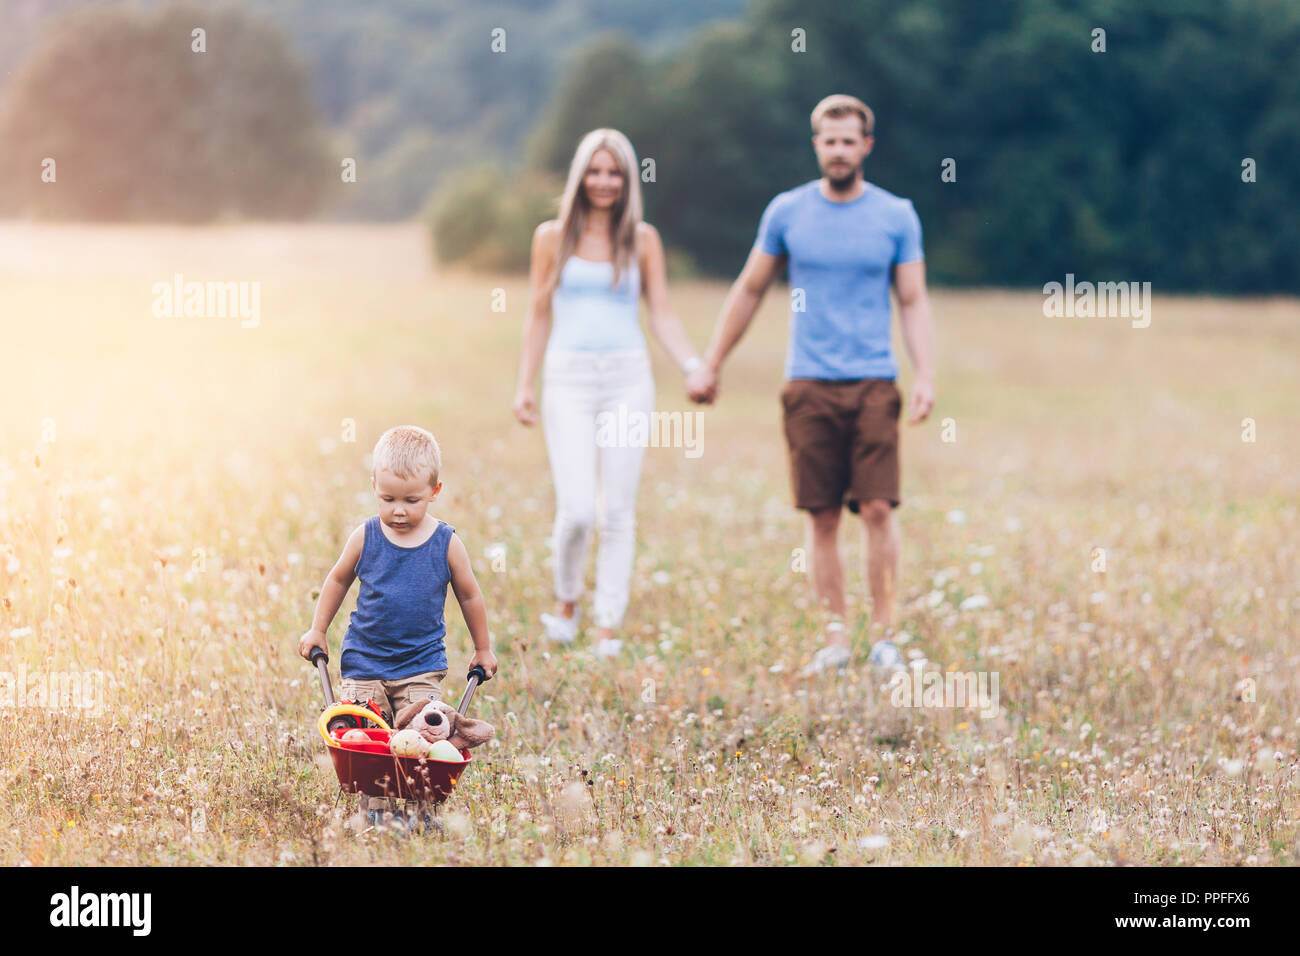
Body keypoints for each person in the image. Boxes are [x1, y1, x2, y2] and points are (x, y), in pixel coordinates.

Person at [687, 94, 936, 676]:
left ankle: (885, 638)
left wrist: (925, 374)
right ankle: (834, 637)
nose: (840, 150)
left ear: (866, 146)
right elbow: (750, 289)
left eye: (850, 140)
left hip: (875, 378)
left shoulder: (897, 215)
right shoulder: (787, 212)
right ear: (817, 144)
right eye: (830, 140)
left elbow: (914, 299)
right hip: (808, 384)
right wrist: (712, 362)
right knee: (821, 515)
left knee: (877, 506)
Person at [513, 128, 703, 659]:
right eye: (595, 171)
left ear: (627, 180)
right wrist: (524, 385)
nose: (604, 181)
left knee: (617, 509)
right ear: (580, 176)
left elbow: (660, 312)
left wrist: (691, 365)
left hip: (627, 378)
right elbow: (537, 312)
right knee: (577, 510)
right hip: (568, 379)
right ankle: (568, 602)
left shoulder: (642, 240)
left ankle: (607, 626)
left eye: (614, 172)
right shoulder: (551, 236)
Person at [297, 424, 498, 825]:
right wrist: (317, 629)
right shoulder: (365, 536)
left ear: (435, 491)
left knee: (424, 739)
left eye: (412, 499)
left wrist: (482, 647)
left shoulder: (446, 543)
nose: (399, 510)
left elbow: (470, 595)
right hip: (364, 663)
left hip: (421, 664)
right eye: (387, 499)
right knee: (367, 742)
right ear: (373, 486)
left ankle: (422, 810)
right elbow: (337, 579)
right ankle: (376, 813)